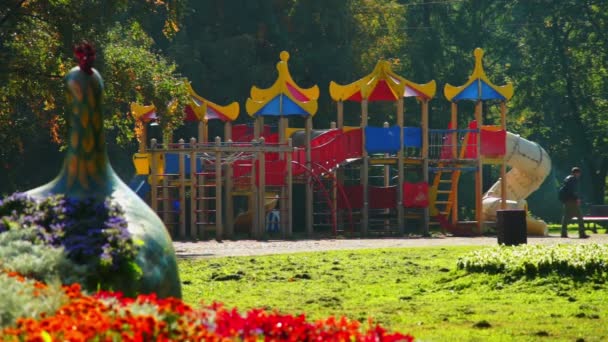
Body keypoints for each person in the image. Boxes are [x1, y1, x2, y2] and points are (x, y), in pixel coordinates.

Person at [559, 167, 589, 238]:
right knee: (580, 216)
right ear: (576, 173)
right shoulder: (573, 179)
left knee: (566, 216)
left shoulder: (567, 179)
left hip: (566, 200)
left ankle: (563, 233)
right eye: (578, 173)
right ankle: (582, 233)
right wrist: (577, 199)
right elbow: (573, 191)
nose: (579, 174)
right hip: (572, 200)